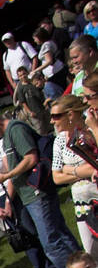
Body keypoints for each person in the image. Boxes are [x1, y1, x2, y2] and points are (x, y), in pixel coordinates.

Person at [0, 108, 78, 268]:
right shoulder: (6, 136)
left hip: (37, 193)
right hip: (29, 195)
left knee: (51, 243)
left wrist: (6, 176)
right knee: (61, 235)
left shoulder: (15, 129)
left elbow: (31, 158)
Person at [49, 95, 98, 256]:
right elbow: (56, 177)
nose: (52, 121)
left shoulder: (91, 130)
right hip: (81, 203)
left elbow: (94, 168)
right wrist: (81, 170)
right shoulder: (59, 141)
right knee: (91, 250)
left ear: (70, 114)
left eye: (56, 116)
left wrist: (69, 169)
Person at [12, 66, 53, 156]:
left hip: (42, 108)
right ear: (18, 77)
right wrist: (29, 112)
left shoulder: (31, 83)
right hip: (34, 112)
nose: (23, 76)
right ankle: (45, 151)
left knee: (49, 128)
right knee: (41, 131)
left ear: (27, 73)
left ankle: (52, 144)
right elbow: (23, 102)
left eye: (24, 74)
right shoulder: (20, 88)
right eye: (20, 76)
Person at [30, 27, 66, 100]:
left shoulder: (46, 45)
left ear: (40, 37)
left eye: (35, 38)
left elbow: (49, 61)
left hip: (56, 73)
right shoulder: (48, 43)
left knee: (58, 94)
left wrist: (36, 70)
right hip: (53, 73)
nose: (34, 41)